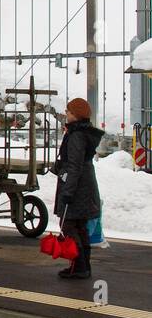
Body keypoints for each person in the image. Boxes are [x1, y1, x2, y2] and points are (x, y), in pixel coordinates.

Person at [53, 97, 103, 279]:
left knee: (68, 225)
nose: (66, 113)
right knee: (80, 225)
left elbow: (74, 166)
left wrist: (67, 192)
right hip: (84, 185)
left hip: (77, 187)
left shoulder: (76, 136)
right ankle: (83, 266)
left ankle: (79, 266)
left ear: (76, 115)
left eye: (69, 111)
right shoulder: (83, 133)